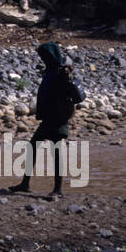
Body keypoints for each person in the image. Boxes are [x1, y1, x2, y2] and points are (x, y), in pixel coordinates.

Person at [10, 41, 85, 195]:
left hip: (57, 119)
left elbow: (64, 97)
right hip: (50, 118)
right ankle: (26, 184)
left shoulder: (60, 73)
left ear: (51, 56)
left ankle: (57, 189)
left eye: (44, 56)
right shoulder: (52, 71)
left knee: (54, 152)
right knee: (36, 147)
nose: (42, 59)